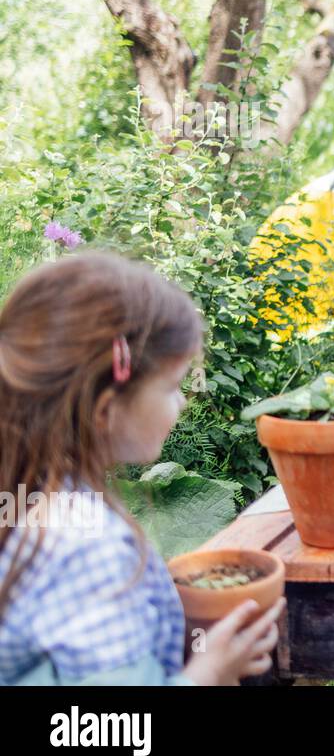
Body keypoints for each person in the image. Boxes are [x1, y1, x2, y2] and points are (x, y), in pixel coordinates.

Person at [0, 251, 284, 685]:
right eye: (172, 386)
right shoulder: (90, 548)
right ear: (106, 408)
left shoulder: (25, 491)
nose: (183, 401)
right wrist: (210, 674)